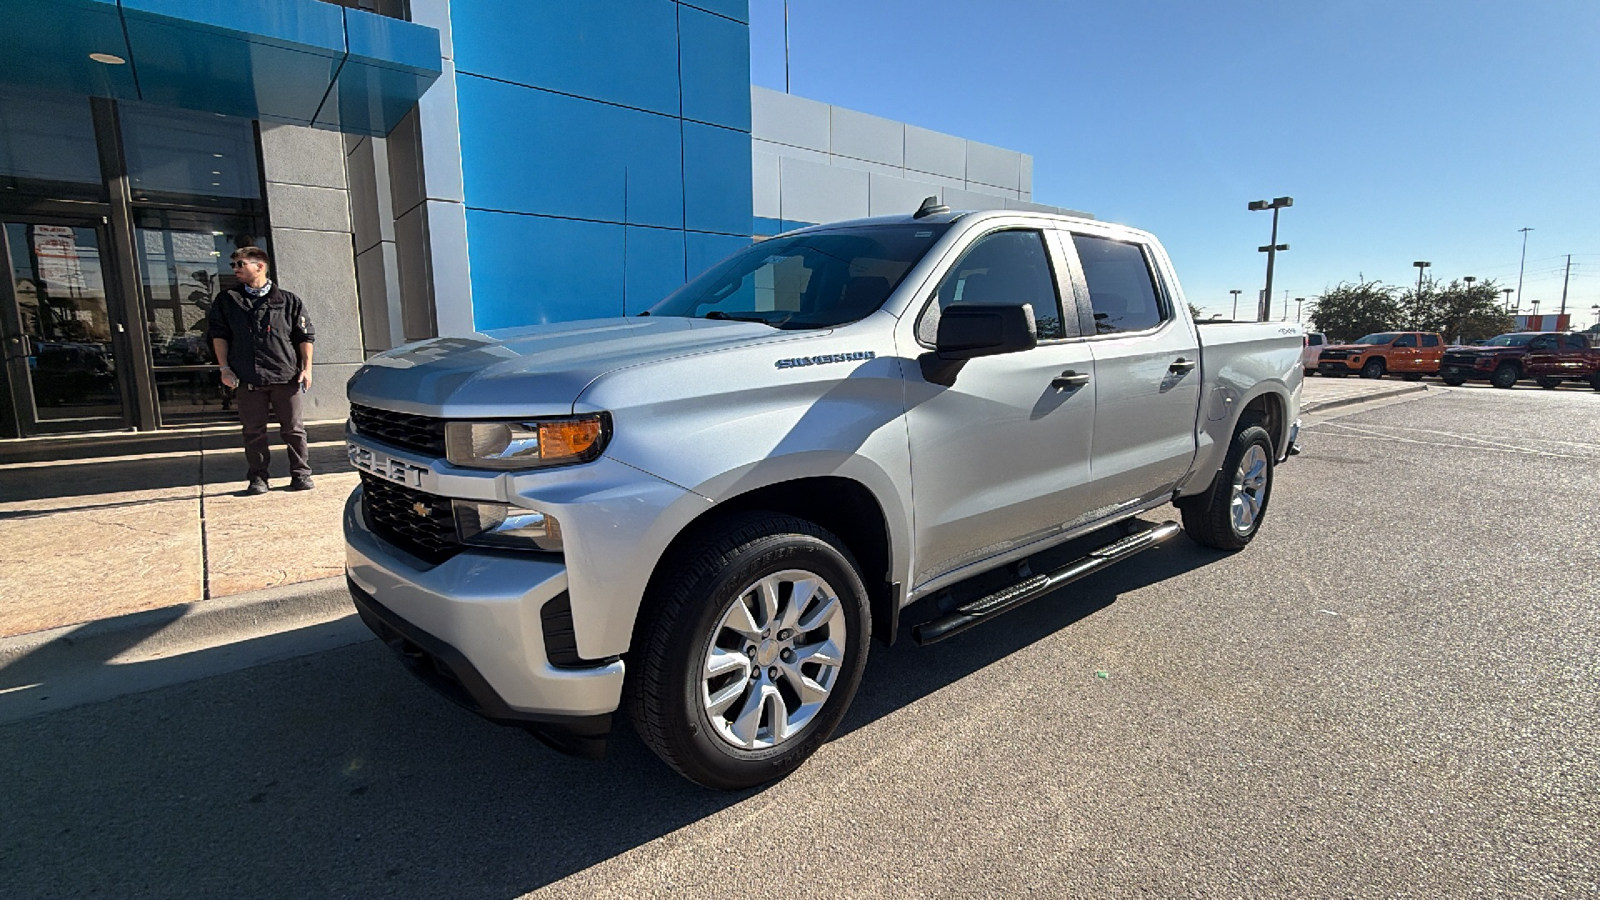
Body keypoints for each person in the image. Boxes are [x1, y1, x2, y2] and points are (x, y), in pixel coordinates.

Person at [207, 246, 316, 494]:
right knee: (253, 432)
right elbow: (219, 335)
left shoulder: (288, 301)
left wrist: (307, 369)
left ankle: (301, 474)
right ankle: (258, 478)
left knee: (294, 430)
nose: (234, 269)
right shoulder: (228, 301)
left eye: (240, 264)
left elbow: (305, 337)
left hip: (284, 375)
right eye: (233, 264)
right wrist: (224, 368)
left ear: (259, 266)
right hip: (247, 378)